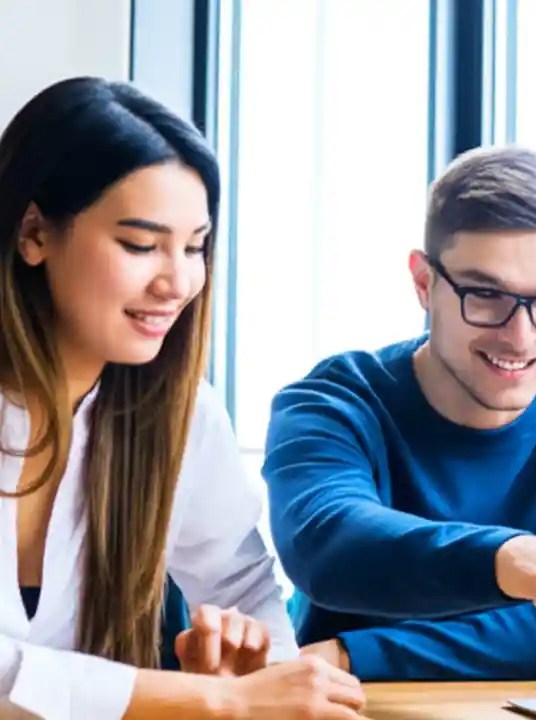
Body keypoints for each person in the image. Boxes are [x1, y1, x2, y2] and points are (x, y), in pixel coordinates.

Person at [0, 77, 365, 718]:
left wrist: (245, 660)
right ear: (34, 233)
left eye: (195, 246)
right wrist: (210, 699)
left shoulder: (181, 414)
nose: (178, 281)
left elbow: (243, 589)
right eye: (141, 245)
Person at [263, 145, 536, 681]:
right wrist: (506, 560)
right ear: (424, 283)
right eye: (485, 295)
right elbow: (329, 547)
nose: (519, 336)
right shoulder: (332, 402)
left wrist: (357, 654)